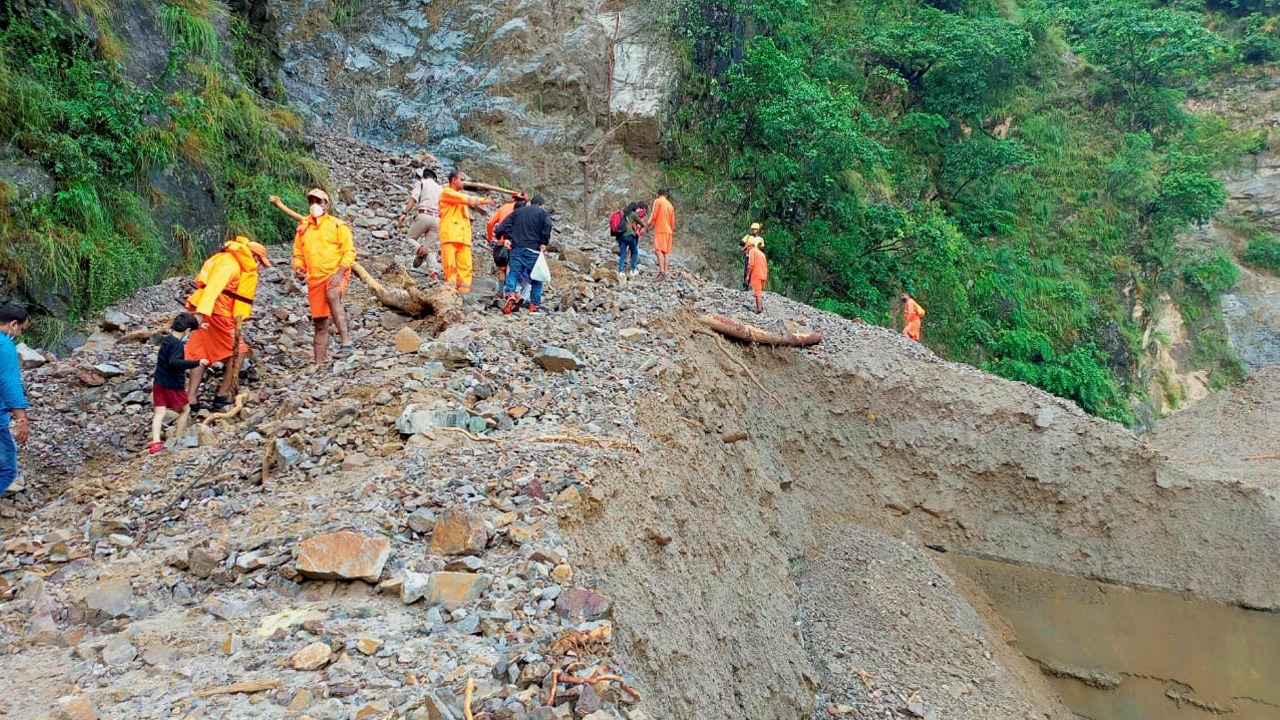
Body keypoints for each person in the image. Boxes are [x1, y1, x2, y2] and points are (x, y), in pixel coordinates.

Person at [185, 236, 271, 409]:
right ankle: (223, 395)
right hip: (217, 314)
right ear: (253, 256)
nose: (259, 266)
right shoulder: (230, 265)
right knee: (238, 351)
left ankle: (190, 400)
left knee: (199, 354)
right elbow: (212, 289)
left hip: (206, 311)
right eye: (259, 261)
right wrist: (201, 314)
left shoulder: (224, 258)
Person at [292, 188, 356, 365]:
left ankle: (347, 343)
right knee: (320, 323)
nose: (314, 205)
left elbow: (349, 252)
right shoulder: (303, 228)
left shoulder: (338, 226)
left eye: (318, 201)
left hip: (336, 272)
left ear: (326, 204)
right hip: (314, 278)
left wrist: (341, 272)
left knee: (332, 294)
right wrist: (298, 268)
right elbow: (298, 253)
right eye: (311, 201)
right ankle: (318, 364)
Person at [150, 313, 208, 454]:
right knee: (185, 409)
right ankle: (178, 438)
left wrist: (199, 327)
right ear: (187, 331)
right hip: (173, 385)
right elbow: (175, 362)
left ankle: (155, 442)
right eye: (191, 333)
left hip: (159, 382)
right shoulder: (177, 345)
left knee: (159, 412)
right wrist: (197, 362)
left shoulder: (168, 340)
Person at [437, 171, 494, 294]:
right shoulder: (447, 193)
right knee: (450, 267)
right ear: (453, 180)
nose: (464, 183)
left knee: (465, 267)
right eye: (462, 180)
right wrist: (484, 201)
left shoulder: (459, 197)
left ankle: (464, 294)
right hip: (450, 235)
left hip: (462, 238)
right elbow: (465, 199)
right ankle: (450, 293)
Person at [497, 195, 553, 314]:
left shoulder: (519, 212)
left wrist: (507, 237)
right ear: (541, 204)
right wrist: (544, 242)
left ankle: (511, 294)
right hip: (533, 249)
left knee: (513, 273)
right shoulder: (543, 213)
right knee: (536, 278)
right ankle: (534, 305)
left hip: (517, 248)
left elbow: (506, 224)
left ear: (531, 203)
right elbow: (548, 225)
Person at [0, 305, 29, 496]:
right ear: (13, 324)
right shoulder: (4, 346)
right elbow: (8, 382)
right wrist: (21, 419)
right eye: (21, 329)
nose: (19, 334)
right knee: (7, 469)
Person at [396, 167, 443, 277]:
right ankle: (433, 274)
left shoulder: (421, 183)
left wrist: (404, 213)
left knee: (410, 238)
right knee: (431, 249)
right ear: (435, 179)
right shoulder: (440, 188)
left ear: (424, 176)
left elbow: (413, 199)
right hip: (437, 219)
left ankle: (420, 249)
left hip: (424, 214)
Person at [488, 193, 527, 293]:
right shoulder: (523, 211)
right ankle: (514, 293)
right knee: (515, 268)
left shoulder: (503, 208)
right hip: (516, 244)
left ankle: (500, 291)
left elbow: (490, 223)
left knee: (502, 268)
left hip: (501, 242)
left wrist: (490, 238)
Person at [644, 188, 676, 280]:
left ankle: (662, 272)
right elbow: (672, 222)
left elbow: (653, 216)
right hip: (668, 231)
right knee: (665, 252)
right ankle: (666, 272)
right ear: (666, 195)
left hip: (660, 229)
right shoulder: (670, 205)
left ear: (658, 194)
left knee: (658, 250)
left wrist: (646, 227)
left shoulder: (658, 201)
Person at [617, 201, 645, 281]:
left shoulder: (623, 213)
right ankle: (633, 269)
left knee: (623, 254)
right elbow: (642, 224)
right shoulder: (633, 214)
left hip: (621, 236)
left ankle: (621, 271)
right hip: (629, 235)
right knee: (635, 252)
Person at [746, 242, 768, 314]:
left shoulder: (752, 251)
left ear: (749, 247)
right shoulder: (762, 254)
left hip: (756, 275)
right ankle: (760, 307)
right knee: (759, 292)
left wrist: (748, 276)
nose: (746, 251)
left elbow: (751, 264)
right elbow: (765, 266)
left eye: (746, 249)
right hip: (763, 275)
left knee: (757, 293)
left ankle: (759, 310)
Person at [741, 222, 764, 289]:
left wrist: (760, 247)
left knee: (755, 271)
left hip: (757, 257)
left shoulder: (760, 238)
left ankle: (754, 285)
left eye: (755, 229)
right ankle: (746, 284)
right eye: (753, 229)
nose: (753, 230)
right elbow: (742, 242)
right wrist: (747, 245)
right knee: (747, 270)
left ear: (758, 230)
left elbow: (763, 248)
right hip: (749, 255)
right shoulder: (748, 236)